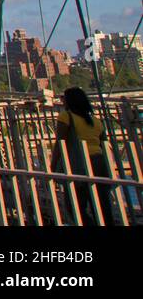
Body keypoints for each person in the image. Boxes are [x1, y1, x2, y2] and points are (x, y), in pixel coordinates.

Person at [52, 87, 116, 226]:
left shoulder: (66, 117)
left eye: (64, 99)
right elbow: (104, 143)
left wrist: (53, 165)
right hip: (99, 162)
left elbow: (60, 142)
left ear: (69, 101)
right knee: (101, 205)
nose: (63, 102)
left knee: (74, 206)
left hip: (79, 163)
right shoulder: (95, 120)